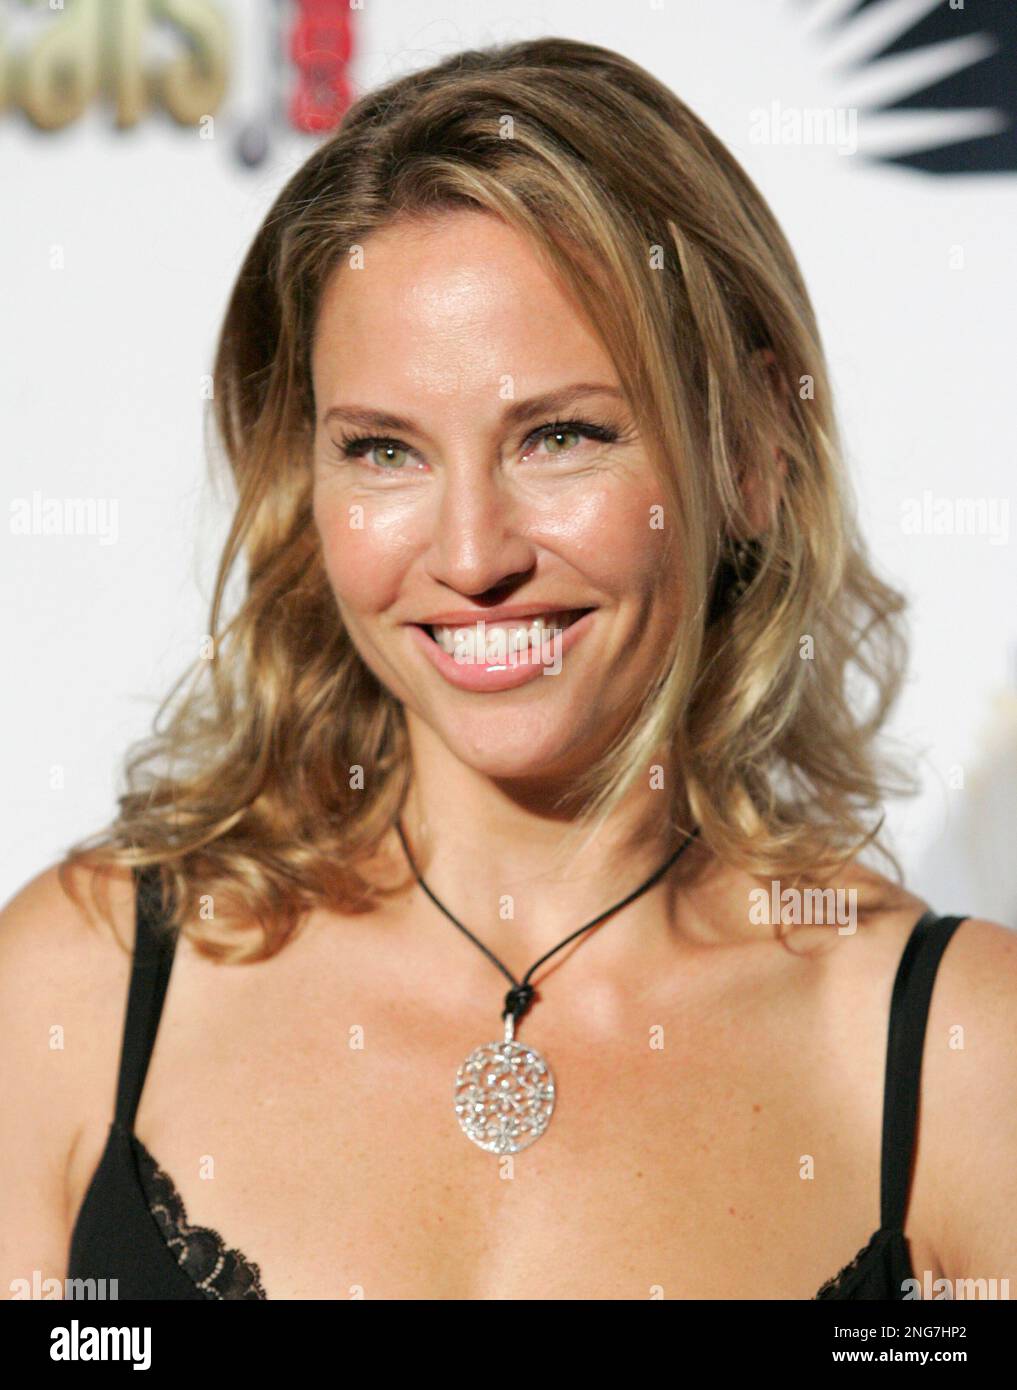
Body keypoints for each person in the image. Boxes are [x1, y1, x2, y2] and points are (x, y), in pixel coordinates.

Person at [2, 36, 1014, 1303]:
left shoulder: (960, 1054)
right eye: (383, 451)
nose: (473, 554)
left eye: (561, 435)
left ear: (750, 451)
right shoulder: (81, 984)